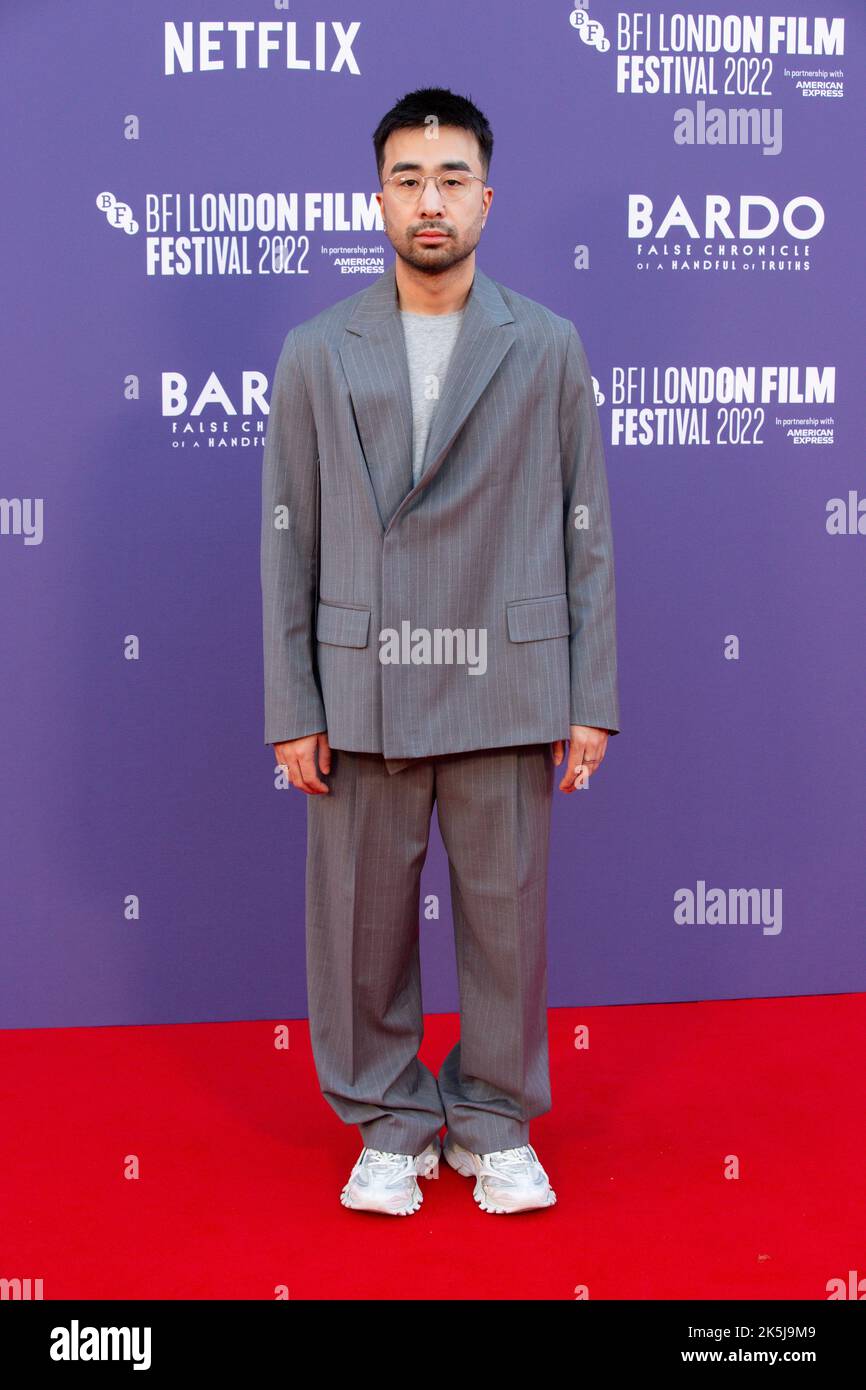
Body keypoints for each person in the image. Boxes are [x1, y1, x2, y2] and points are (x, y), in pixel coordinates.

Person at [260, 87, 620, 1216]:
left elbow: (586, 530)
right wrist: (292, 702)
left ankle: (496, 1120)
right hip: (361, 681)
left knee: (506, 918)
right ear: (378, 198)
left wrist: (589, 695)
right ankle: (387, 1119)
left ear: (485, 196)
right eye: (408, 179)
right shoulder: (319, 350)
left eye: (451, 178)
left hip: (506, 678)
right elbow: (288, 541)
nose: (430, 199)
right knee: (360, 925)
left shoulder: (546, 343)